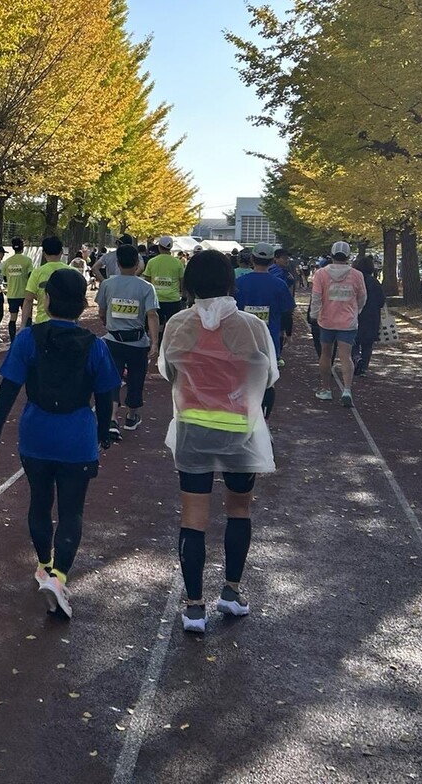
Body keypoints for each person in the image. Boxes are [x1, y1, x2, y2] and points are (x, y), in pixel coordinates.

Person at [0, 268, 122, 620]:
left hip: (36, 434)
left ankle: (44, 564)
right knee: (72, 510)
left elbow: (9, 388)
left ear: (46, 301)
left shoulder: (27, 340)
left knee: (39, 502)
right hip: (77, 437)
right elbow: (105, 395)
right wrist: (104, 432)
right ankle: (59, 576)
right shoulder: (96, 346)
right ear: (82, 305)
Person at [158, 249, 278, 635]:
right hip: (239, 429)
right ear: (230, 281)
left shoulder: (178, 323)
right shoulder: (251, 326)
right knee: (239, 509)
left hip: (192, 428)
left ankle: (194, 607)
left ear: (189, 284)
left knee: (193, 517)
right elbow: (268, 377)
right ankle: (232, 590)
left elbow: (169, 371)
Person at [95, 243, 160, 431]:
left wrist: (107, 323)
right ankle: (131, 416)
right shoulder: (146, 287)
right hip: (138, 342)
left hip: (113, 340)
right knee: (136, 379)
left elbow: (101, 311)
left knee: (113, 378)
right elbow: (152, 315)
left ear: (117, 263)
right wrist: (155, 342)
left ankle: (112, 418)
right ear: (137, 263)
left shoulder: (107, 284)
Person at [233, 243, 295, 417]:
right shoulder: (279, 284)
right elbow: (287, 312)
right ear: (271, 261)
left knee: (242, 379)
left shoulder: (238, 283)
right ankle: (264, 418)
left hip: (242, 339)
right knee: (268, 382)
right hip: (269, 340)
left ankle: (244, 416)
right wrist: (288, 333)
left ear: (252, 259)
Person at [309, 242, 366, 407]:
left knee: (326, 354)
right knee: (346, 356)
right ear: (348, 256)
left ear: (332, 255)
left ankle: (326, 389)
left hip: (326, 320)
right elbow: (362, 297)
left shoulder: (321, 274)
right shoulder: (357, 275)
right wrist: (356, 311)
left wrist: (314, 315)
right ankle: (347, 390)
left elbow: (316, 297)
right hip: (348, 322)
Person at [22, 236, 71, 328]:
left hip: (42, 323)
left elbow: (28, 299)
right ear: (61, 252)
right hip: (68, 323)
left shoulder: (37, 272)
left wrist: (23, 325)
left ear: (44, 253)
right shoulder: (72, 272)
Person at [352, 254, 386, 377]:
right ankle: (364, 367)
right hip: (372, 316)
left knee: (353, 340)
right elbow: (381, 301)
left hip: (355, 314)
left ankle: (356, 358)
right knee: (368, 343)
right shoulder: (375, 282)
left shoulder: (354, 281)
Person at [1, 237, 35, 340]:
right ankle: (27, 339)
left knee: (13, 318)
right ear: (22, 247)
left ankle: (13, 341)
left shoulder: (7, 262)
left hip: (12, 294)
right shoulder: (27, 260)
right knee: (28, 317)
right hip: (26, 295)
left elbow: (5, 278)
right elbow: (31, 276)